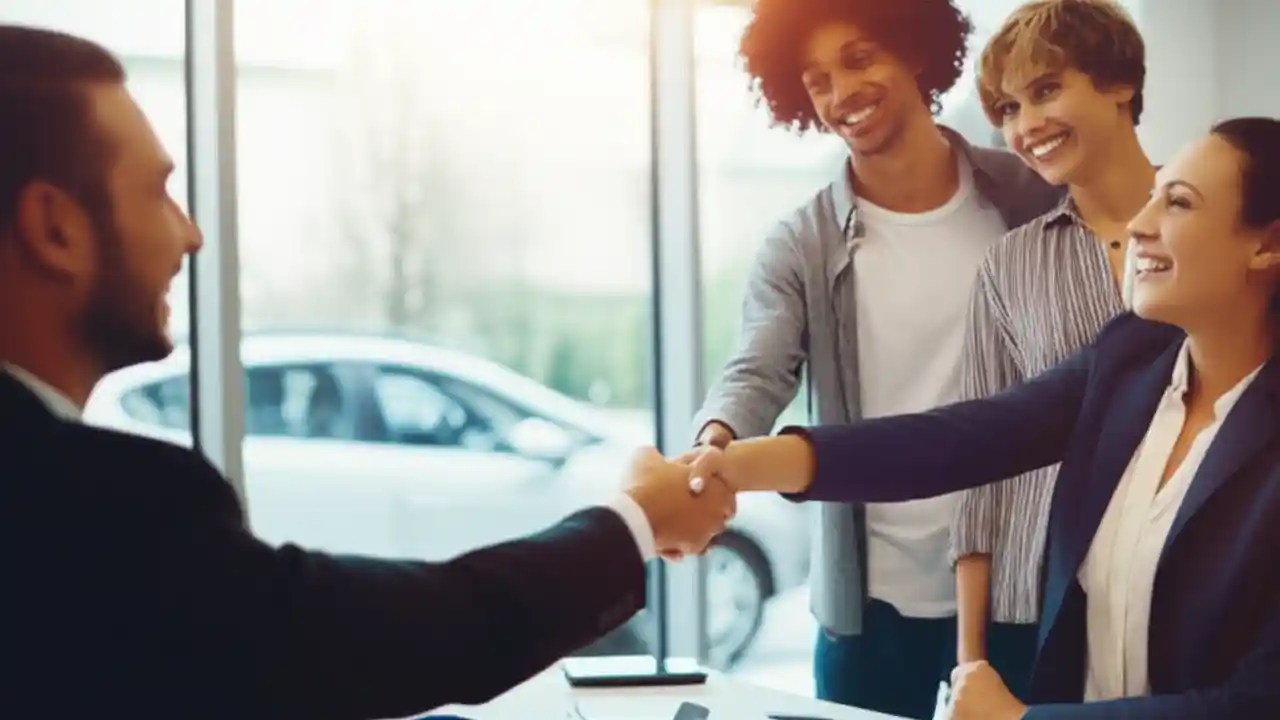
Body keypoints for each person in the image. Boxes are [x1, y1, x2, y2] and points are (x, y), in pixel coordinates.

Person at [0, 25, 734, 720]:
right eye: (157, 192)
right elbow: (408, 634)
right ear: (55, 228)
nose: (189, 234)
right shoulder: (100, 500)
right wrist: (639, 519)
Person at [686, 117, 1280, 719]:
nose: (1141, 224)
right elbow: (959, 441)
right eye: (1154, 196)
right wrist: (734, 466)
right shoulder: (1133, 357)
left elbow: (1256, 705)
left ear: (1267, 244)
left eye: (1178, 202)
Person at [691, 0, 1059, 714]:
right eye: (818, 79)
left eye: (859, 60)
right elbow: (757, 370)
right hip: (870, 613)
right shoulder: (802, 241)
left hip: (1018, 590)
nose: (840, 94)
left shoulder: (1025, 199)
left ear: (916, 52)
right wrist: (715, 445)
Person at [949, 0, 1155, 698]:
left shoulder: (1220, 232)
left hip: (1186, 590)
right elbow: (979, 466)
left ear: (1120, 83)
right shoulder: (1008, 267)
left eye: (1044, 91)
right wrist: (971, 659)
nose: (1024, 127)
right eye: (1007, 109)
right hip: (1036, 609)